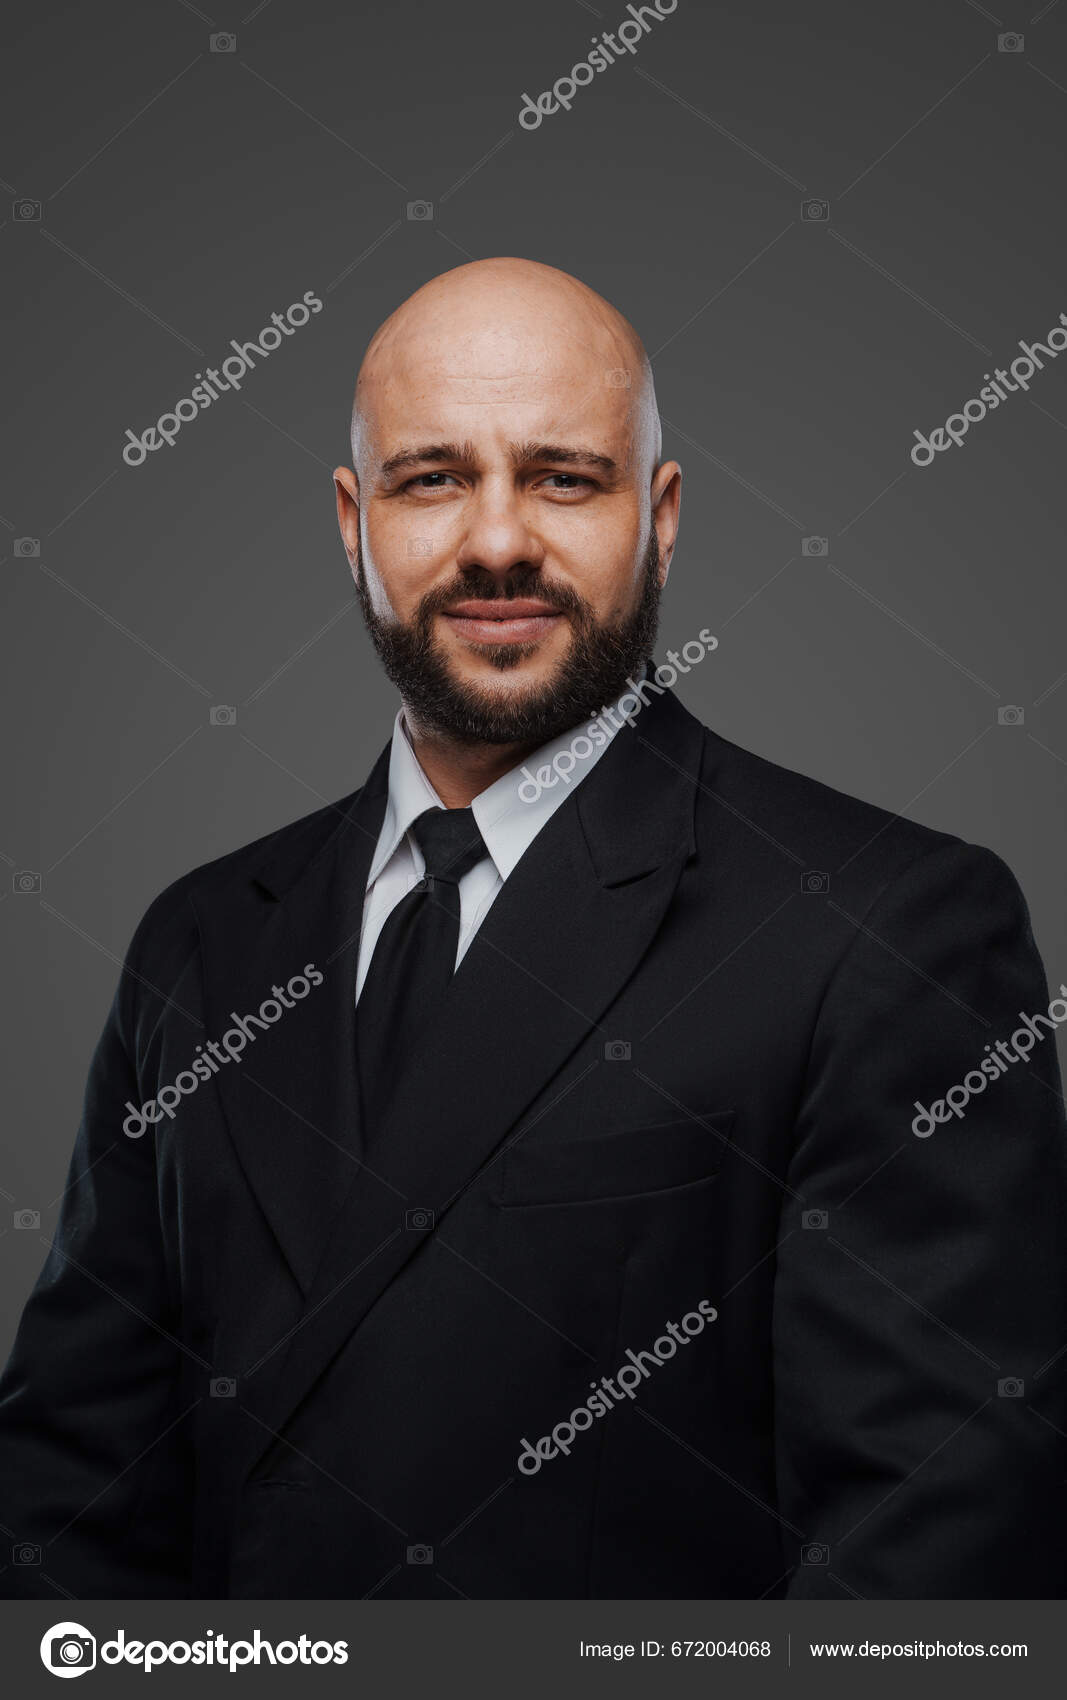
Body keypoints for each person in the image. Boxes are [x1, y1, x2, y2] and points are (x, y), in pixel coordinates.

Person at [2, 258, 1065, 1601]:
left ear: (661, 519)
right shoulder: (202, 941)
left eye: (564, 477)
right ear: (353, 523)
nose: (497, 539)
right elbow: (67, 1487)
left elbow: (935, 1549)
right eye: (432, 478)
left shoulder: (882, 928)